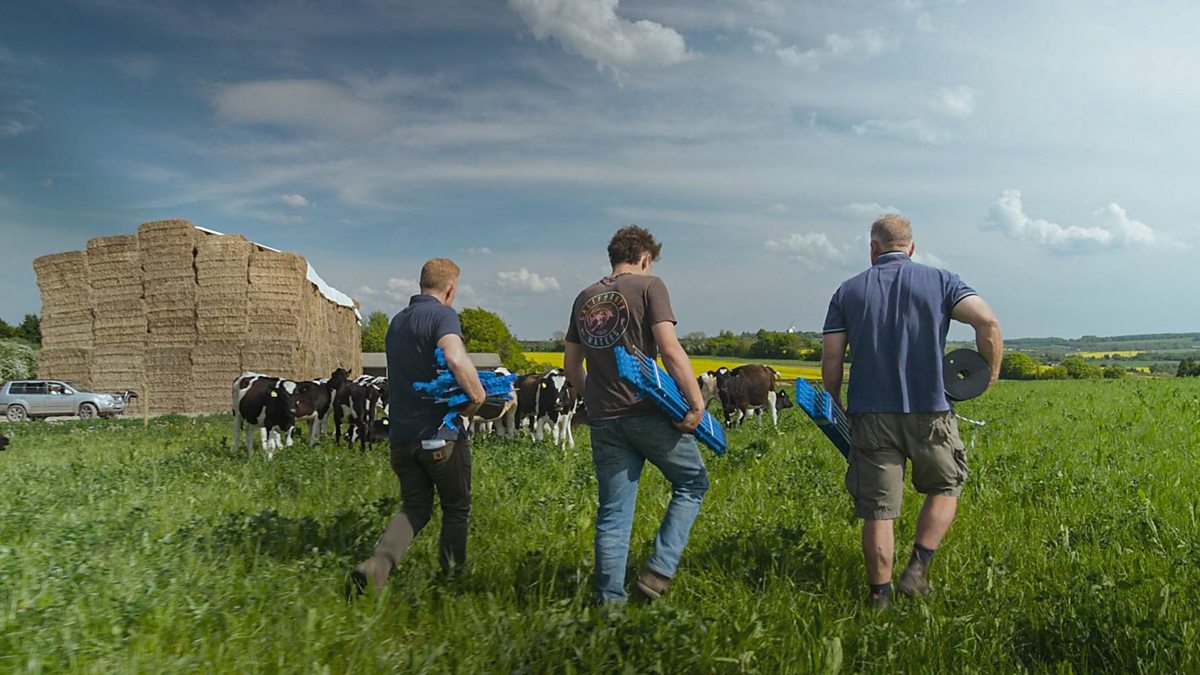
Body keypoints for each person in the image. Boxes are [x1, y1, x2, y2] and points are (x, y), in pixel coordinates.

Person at [821, 214, 1002, 608]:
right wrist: (989, 373)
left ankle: (879, 596)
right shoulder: (942, 282)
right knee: (945, 486)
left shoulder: (847, 291)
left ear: (873, 248)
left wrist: (835, 401)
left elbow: (832, 358)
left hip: (869, 414)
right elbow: (986, 320)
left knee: (878, 510)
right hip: (931, 410)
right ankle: (917, 569)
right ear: (912, 248)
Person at [562, 225, 710, 603]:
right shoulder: (650, 286)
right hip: (648, 411)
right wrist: (695, 403)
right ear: (645, 258)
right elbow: (670, 348)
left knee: (613, 512)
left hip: (605, 420)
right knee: (692, 483)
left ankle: (609, 603)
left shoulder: (584, 297)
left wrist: (591, 400)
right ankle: (658, 572)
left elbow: (571, 367)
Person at [351, 258, 485, 594]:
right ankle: (450, 582)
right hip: (440, 438)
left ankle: (377, 565)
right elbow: (454, 357)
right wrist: (477, 395)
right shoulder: (442, 315)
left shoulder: (396, 323)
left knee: (414, 508)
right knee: (456, 508)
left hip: (401, 439)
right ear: (450, 289)